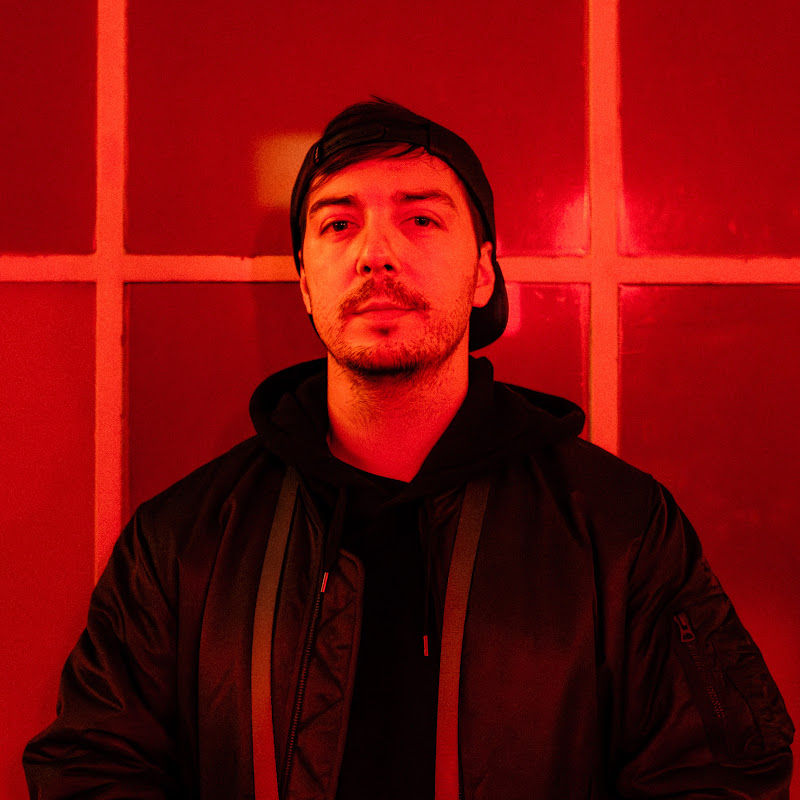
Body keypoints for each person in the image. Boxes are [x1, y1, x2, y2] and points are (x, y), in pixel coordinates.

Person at [24, 100, 794, 799]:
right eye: (338, 224)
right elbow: (91, 768)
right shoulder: (182, 543)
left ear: (484, 272)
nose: (376, 254)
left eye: (420, 219)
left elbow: (721, 774)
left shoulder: (620, 530)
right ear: (305, 282)